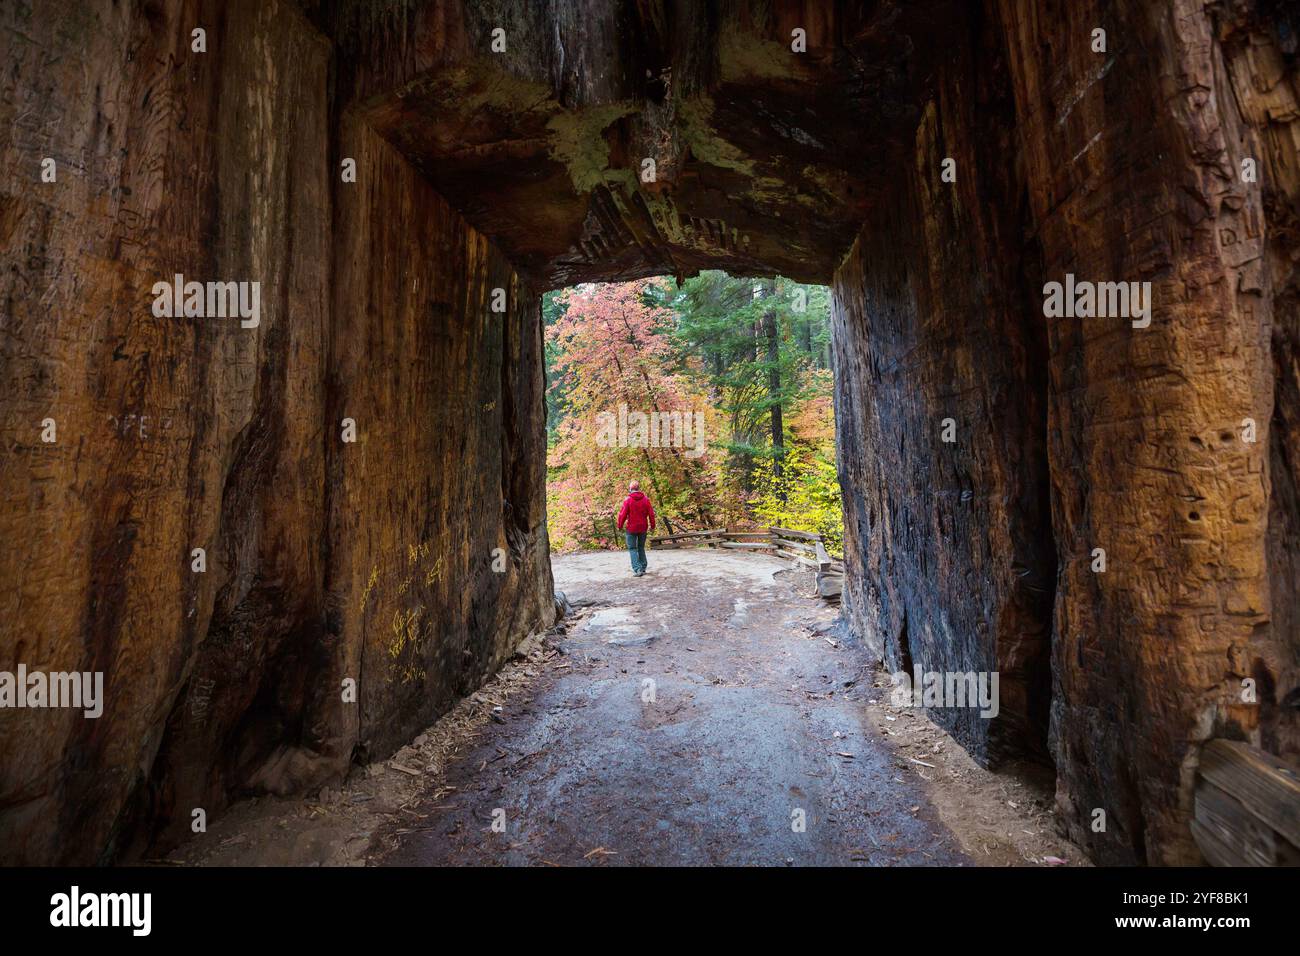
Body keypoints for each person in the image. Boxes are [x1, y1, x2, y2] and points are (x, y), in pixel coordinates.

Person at [616, 480, 656, 577]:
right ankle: (643, 567)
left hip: (631, 528)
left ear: (630, 489)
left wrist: (620, 526)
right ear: (638, 489)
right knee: (641, 547)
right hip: (643, 527)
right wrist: (652, 526)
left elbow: (622, 515)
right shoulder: (646, 500)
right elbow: (651, 514)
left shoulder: (628, 500)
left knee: (633, 548)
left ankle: (637, 569)